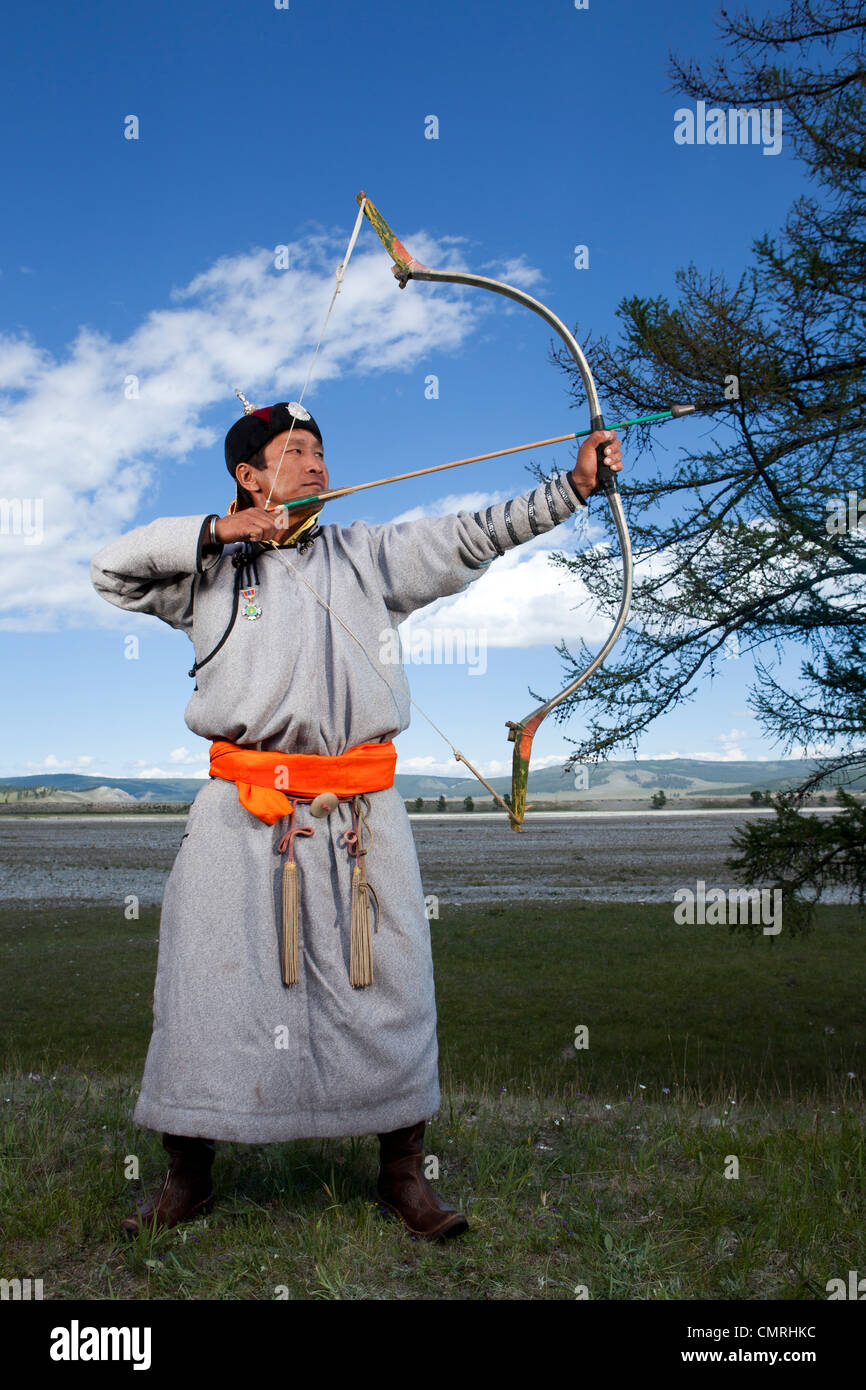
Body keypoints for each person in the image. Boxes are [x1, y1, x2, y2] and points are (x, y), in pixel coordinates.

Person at [90, 398, 623, 1242]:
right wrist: (222, 533)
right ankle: (187, 1180)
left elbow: (470, 533)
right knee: (208, 993)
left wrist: (572, 490)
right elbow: (110, 571)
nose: (315, 463)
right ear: (249, 475)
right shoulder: (206, 573)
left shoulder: (369, 554)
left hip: (359, 819)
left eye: (319, 450)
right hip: (240, 817)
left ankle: (402, 1176)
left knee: (393, 994)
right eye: (294, 451)